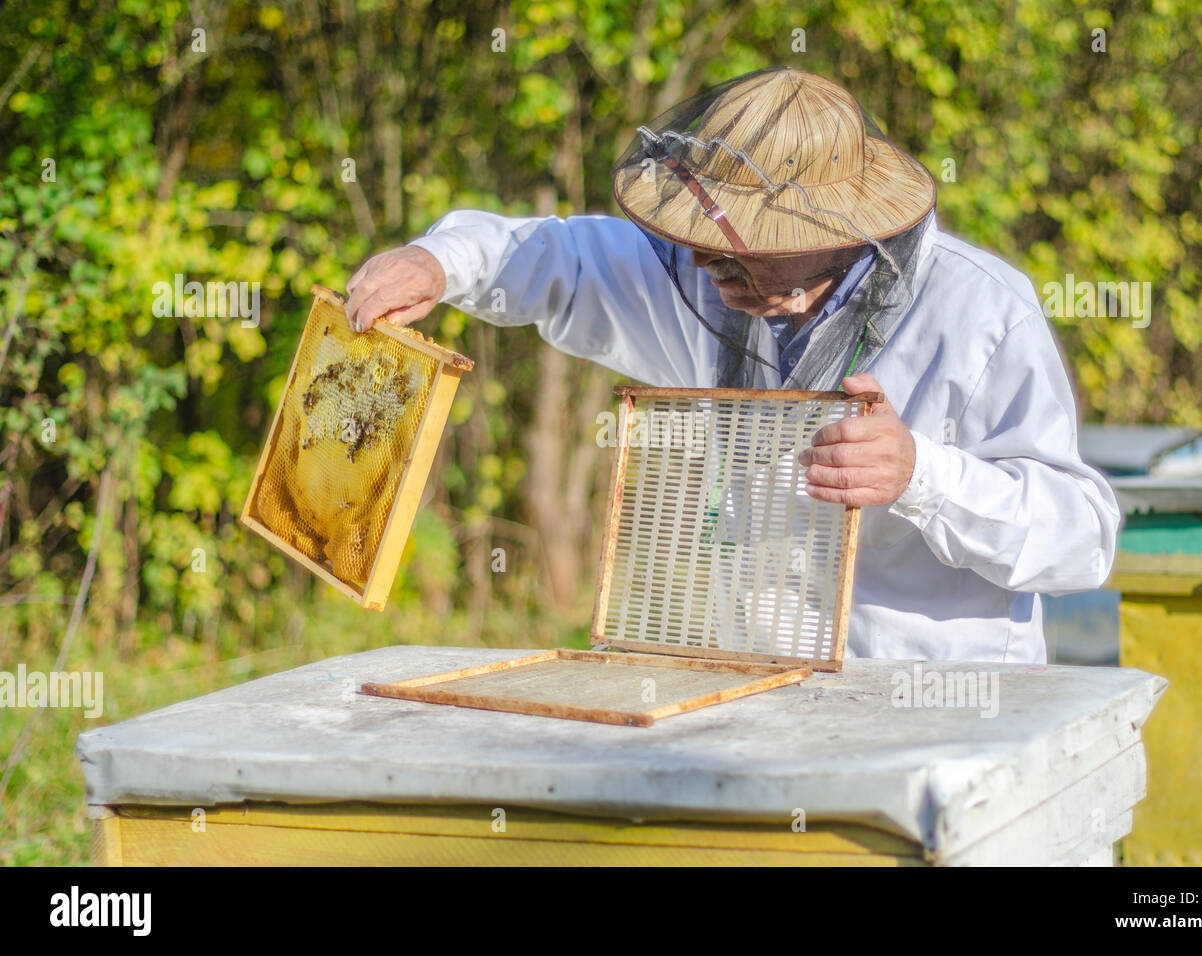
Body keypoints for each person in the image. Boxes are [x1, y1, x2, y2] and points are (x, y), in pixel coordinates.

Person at [344, 66, 1120, 664]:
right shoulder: (696, 275)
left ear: (841, 229)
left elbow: (1083, 540)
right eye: (704, 244)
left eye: (747, 250)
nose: (713, 271)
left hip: (939, 713)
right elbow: (556, 256)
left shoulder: (981, 313)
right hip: (755, 692)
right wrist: (436, 261)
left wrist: (922, 474)